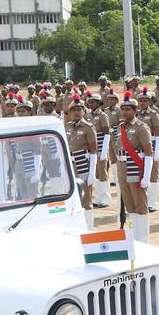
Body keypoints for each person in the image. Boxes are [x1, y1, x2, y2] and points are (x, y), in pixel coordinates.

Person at [113, 97, 153, 242]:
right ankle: (134, 238)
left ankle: (143, 239)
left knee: (140, 205)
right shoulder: (120, 127)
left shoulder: (141, 127)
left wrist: (146, 176)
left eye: (128, 109)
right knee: (129, 205)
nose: (124, 112)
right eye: (123, 109)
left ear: (135, 111)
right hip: (122, 167)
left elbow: (148, 153)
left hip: (135, 168)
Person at [65, 96, 98, 230]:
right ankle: (77, 227)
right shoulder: (67, 127)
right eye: (74, 110)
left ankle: (88, 229)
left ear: (84, 111)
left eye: (79, 109)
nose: (77, 112)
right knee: (73, 198)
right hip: (71, 165)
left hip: (83, 164)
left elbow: (94, 151)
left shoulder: (88, 127)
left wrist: (92, 173)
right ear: (70, 112)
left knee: (86, 200)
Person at [136, 89, 159, 212]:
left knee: (153, 175)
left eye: (145, 100)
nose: (142, 103)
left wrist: (157, 150)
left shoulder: (153, 114)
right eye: (140, 100)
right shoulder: (136, 114)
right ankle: (143, 201)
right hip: (139, 146)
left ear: (149, 102)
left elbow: (158, 132)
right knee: (141, 173)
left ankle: (152, 203)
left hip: (151, 144)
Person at [86, 94, 112, 208]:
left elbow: (107, 133)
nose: (91, 104)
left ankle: (105, 198)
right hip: (92, 149)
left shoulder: (102, 115)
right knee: (95, 173)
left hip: (101, 147)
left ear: (99, 103)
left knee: (103, 174)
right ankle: (98, 197)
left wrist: (104, 151)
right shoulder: (88, 115)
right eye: (90, 102)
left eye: (93, 102)